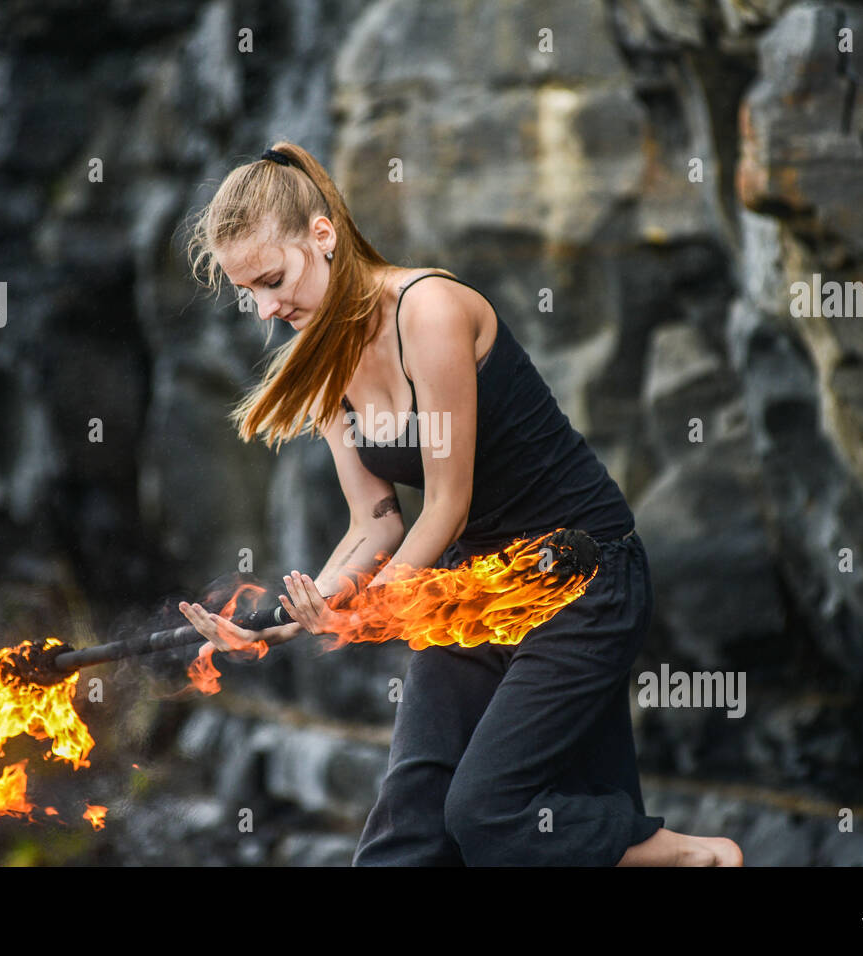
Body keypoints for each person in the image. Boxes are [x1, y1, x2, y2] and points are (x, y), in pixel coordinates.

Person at [177, 141, 742, 866]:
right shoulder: (320, 365)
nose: (265, 307)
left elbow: (445, 502)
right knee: (404, 835)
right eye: (247, 293)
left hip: (579, 574)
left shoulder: (431, 310)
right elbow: (375, 522)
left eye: (272, 278)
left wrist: (365, 610)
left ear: (322, 236)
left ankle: (703, 859)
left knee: (490, 814)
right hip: (465, 586)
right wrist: (294, 616)